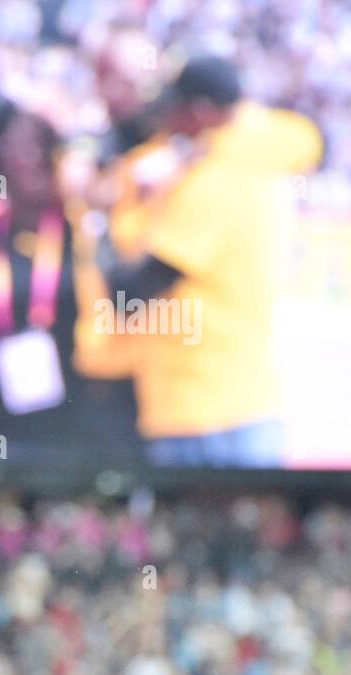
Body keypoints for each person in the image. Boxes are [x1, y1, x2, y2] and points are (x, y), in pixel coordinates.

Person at [75, 56, 324, 467]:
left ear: (204, 112)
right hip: (239, 394)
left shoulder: (214, 181)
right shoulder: (249, 162)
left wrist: (102, 217)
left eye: (177, 109)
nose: (168, 120)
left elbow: (130, 293)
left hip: (203, 405)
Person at [0, 100, 142, 466]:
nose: (31, 158)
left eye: (42, 145)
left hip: (78, 435)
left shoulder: (88, 234)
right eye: (16, 147)